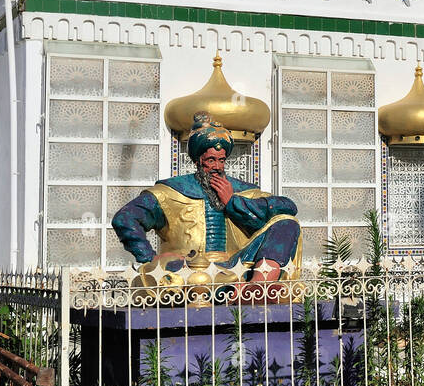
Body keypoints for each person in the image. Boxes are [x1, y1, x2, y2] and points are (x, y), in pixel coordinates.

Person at [111, 113, 302, 285]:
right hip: (186, 272)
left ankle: (258, 287)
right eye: (211, 160)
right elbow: (125, 218)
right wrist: (152, 260)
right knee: (193, 279)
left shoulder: (241, 191)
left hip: (236, 269)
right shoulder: (170, 192)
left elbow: (288, 206)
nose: (217, 167)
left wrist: (233, 202)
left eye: (222, 160)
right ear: (197, 161)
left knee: (287, 222)